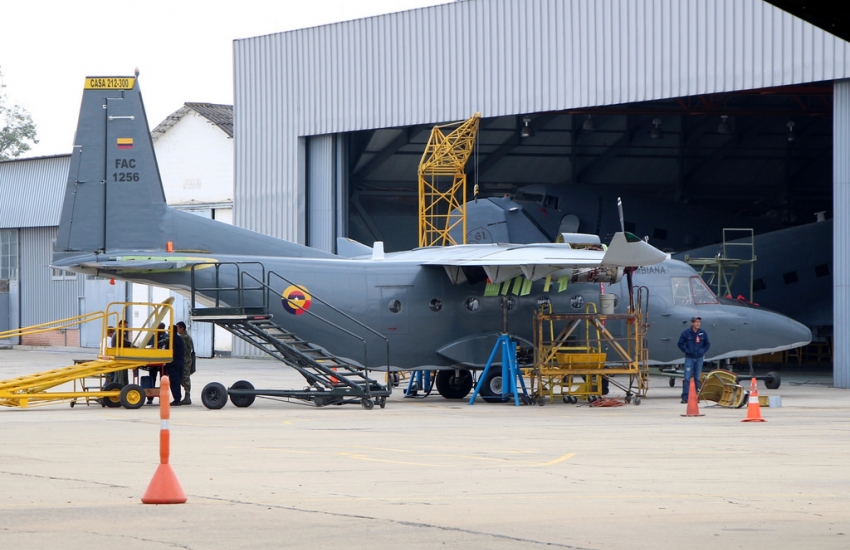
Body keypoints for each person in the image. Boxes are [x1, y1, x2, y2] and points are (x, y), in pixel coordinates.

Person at [677, 316, 711, 403]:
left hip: (699, 358)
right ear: (692, 323)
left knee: (697, 378)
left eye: (699, 322)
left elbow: (707, 344)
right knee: (687, 378)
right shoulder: (686, 333)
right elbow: (680, 343)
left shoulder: (703, 333)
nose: (698, 324)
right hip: (689, 358)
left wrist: (702, 351)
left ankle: (695, 396)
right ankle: (685, 397)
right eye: (696, 322)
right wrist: (687, 351)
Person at [145, 322, 166, 405]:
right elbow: (148, 344)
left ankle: (163, 397)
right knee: (152, 380)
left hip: (162, 362)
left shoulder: (167, 337)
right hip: (153, 361)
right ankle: (150, 398)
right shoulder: (154, 336)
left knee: (163, 381)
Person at [164, 324, 185, 406]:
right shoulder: (179, 339)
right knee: (177, 381)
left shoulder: (172, 340)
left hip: (174, 364)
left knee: (174, 381)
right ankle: (177, 398)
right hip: (179, 363)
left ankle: (177, 399)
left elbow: (171, 352)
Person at [176, 321, 195, 405]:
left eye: (178, 328)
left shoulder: (185, 337)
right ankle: (187, 396)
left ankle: (187, 397)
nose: (177, 330)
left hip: (186, 360)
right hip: (185, 360)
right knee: (183, 378)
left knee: (185, 378)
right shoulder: (184, 336)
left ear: (182, 328)